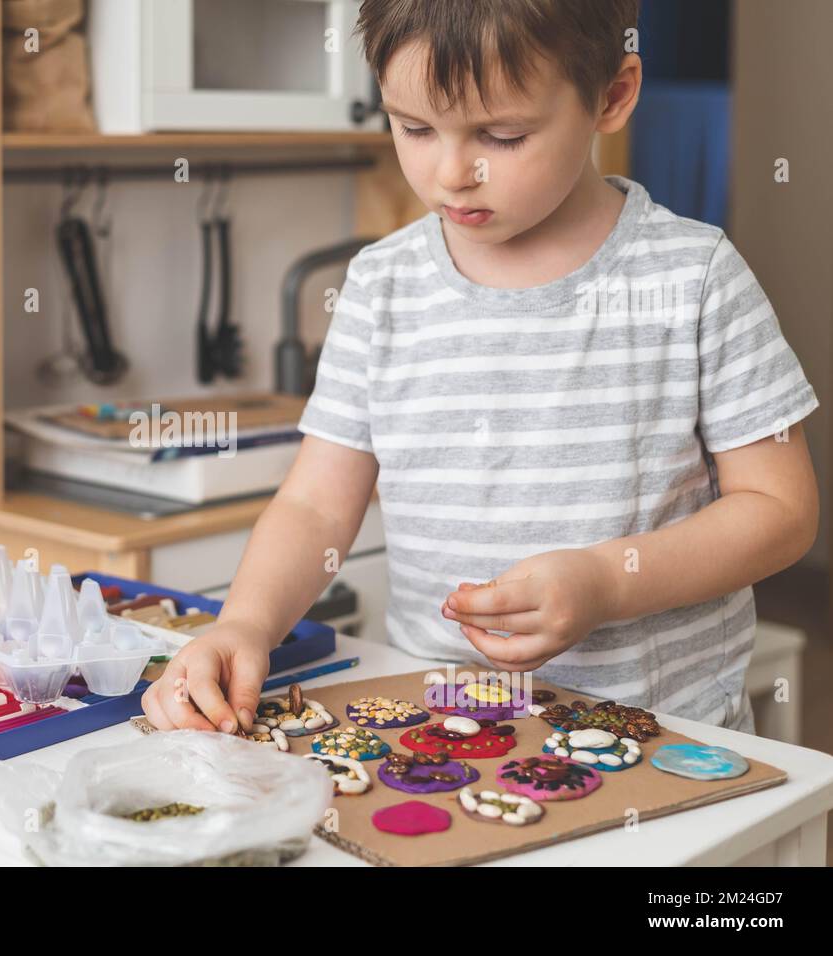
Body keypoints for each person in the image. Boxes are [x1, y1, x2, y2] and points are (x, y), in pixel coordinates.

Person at [142, 0, 819, 736]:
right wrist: (244, 625)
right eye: (414, 127)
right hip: (443, 732)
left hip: (665, 736)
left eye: (502, 135)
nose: (451, 173)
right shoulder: (380, 285)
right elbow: (314, 507)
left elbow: (780, 512)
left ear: (613, 96)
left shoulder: (695, 277)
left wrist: (605, 583)